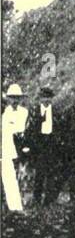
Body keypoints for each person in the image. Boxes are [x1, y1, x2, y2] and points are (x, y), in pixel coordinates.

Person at [23, 86, 63, 206]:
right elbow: (29, 130)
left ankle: (48, 201)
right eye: (44, 97)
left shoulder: (56, 112)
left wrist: (58, 143)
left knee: (51, 174)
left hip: (51, 144)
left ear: (52, 99)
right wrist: (29, 146)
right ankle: (36, 200)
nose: (46, 100)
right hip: (39, 145)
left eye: (49, 98)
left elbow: (60, 129)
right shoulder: (34, 111)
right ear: (40, 98)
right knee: (39, 174)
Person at [2, 83, 29, 211]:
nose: (14, 100)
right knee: (8, 178)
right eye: (12, 97)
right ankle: (9, 206)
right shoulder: (4, 114)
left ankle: (19, 206)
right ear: (8, 99)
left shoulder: (24, 113)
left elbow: (26, 132)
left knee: (21, 177)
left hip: (21, 150)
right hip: (7, 150)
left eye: (17, 98)